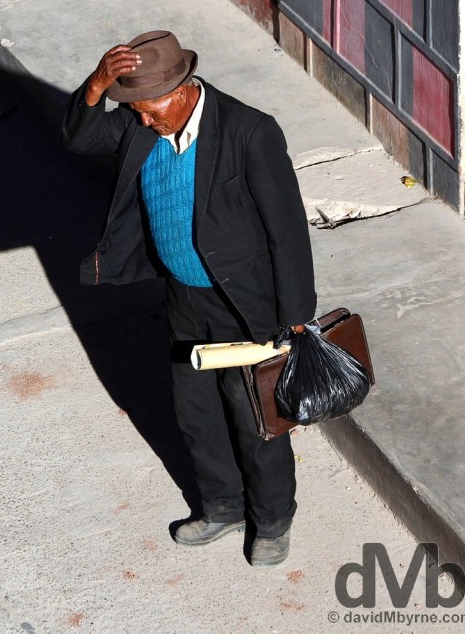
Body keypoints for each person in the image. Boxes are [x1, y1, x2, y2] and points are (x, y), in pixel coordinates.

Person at [63, 30, 316, 567]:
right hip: (183, 295)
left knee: (255, 417)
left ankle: (272, 519)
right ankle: (222, 506)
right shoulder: (142, 123)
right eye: (134, 109)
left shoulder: (249, 132)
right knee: (196, 411)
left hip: (244, 304)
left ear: (181, 91)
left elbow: (287, 231)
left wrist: (294, 321)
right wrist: (98, 84)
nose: (143, 120)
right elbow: (81, 139)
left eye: (150, 109)